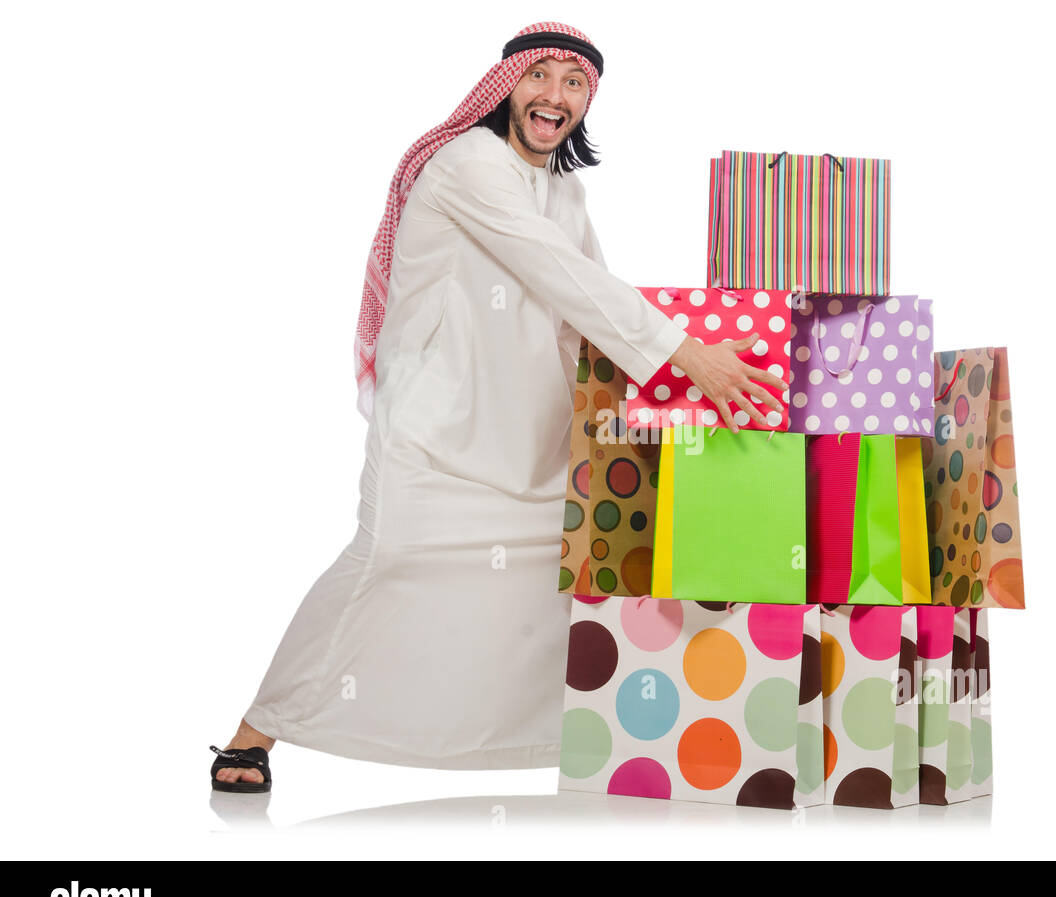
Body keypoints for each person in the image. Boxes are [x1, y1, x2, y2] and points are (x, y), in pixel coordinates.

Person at [210, 21, 786, 792]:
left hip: (531, 432)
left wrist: (666, 387)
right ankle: (255, 732)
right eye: (539, 76)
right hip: (435, 427)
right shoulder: (466, 165)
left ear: (587, 101)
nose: (554, 95)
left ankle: (571, 743)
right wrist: (688, 355)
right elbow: (562, 276)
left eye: (573, 83)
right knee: (386, 561)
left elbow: (594, 301)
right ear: (506, 86)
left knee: (556, 583)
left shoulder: (565, 190)